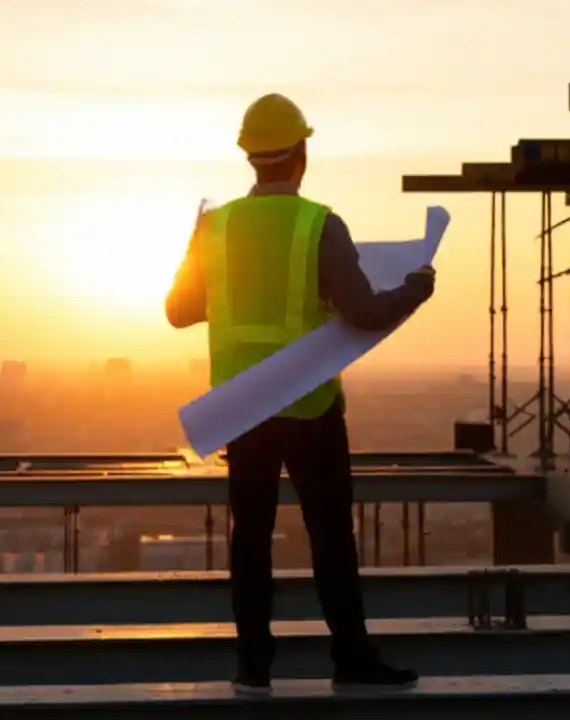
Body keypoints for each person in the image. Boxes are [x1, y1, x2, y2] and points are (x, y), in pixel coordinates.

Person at [165, 93, 434, 695]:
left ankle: (253, 668)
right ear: (301, 155)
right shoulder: (319, 224)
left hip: (242, 408)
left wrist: (196, 248)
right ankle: (352, 659)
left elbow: (179, 311)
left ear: (251, 159)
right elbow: (363, 312)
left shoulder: (218, 225)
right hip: (310, 406)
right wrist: (414, 289)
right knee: (331, 535)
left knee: (250, 537)